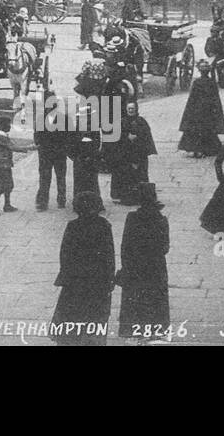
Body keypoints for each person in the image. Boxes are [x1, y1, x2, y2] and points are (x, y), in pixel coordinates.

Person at [50, 191, 115, 345]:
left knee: (72, 314)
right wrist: (110, 277)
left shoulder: (73, 226)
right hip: (97, 280)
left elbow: (64, 254)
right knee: (95, 316)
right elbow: (109, 255)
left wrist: (65, 274)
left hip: (75, 280)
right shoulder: (104, 226)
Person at [116, 182, 170, 340]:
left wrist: (125, 265)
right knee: (155, 298)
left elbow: (125, 245)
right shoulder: (162, 219)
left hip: (135, 266)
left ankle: (135, 331)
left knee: (135, 298)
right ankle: (155, 330)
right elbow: (165, 247)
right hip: (155, 267)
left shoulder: (132, 218)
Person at [178, 59, 224, 157]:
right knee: (208, 129)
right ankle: (208, 149)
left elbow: (192, 99)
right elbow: (215, 99)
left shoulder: (197, 82)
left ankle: (197, 149)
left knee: (196, 129)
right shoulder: (212, 82)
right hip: (209, 110)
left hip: (197, 110)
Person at [109, 102, 156, 205]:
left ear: (136, 109)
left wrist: (137, 137)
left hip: (139, 154)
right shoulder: (121, 122)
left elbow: (147, 137)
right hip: (124, 155)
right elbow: (116, 138)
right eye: (129, 109)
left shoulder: (142, 122)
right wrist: (126, 137)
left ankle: (141, 196)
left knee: (140, 174)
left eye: (132, 108)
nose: (131, 110)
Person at [34, 105, 69, 212]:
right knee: (50, 178)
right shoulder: (63, 118)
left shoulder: (62, 119)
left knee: (56, 177)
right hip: (50, 154)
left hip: (54, 154)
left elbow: (68, 136)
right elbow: (36, 136)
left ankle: (54, 201)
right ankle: (50, 201)